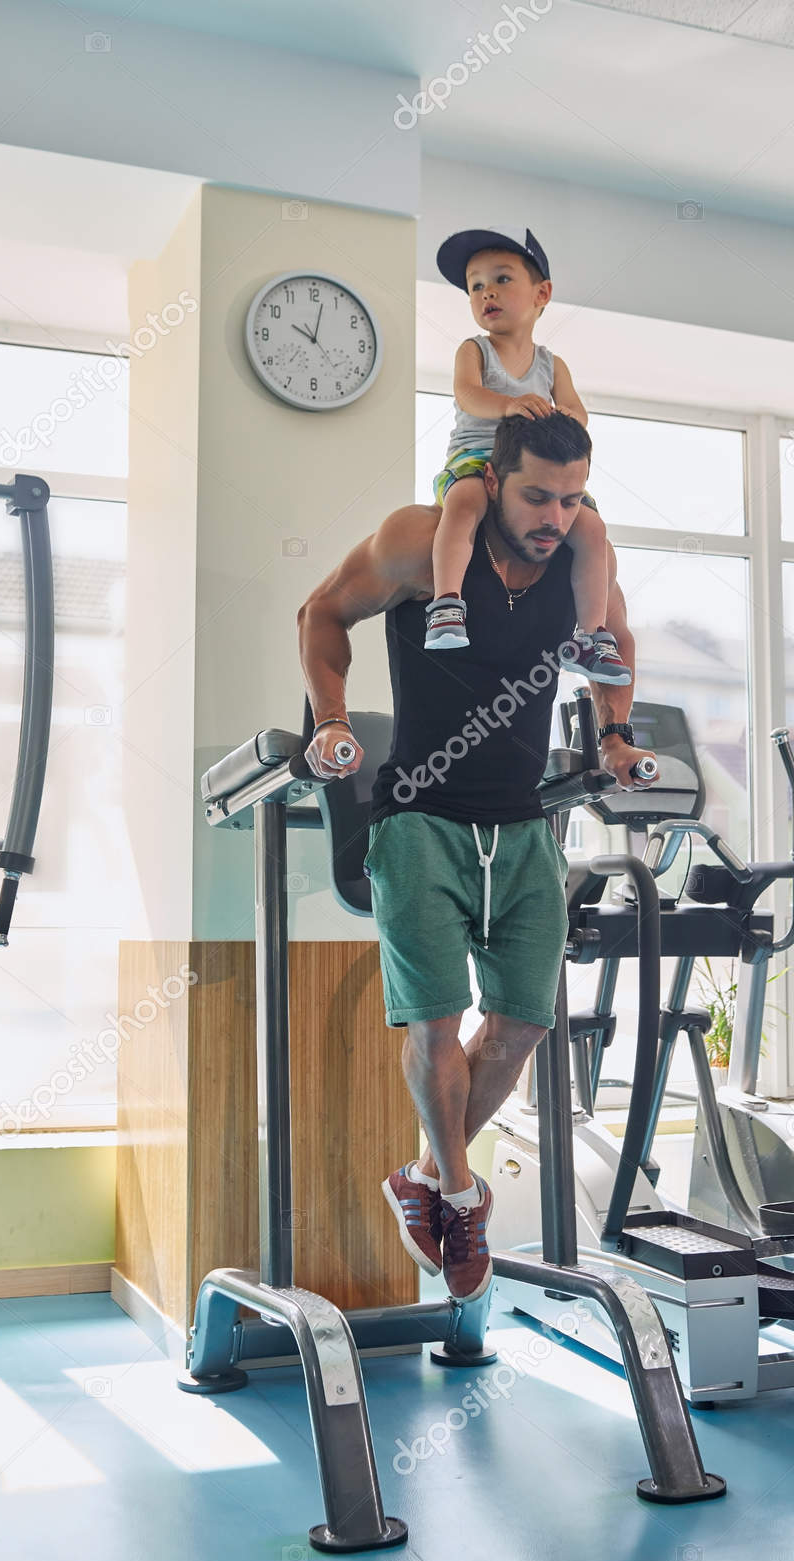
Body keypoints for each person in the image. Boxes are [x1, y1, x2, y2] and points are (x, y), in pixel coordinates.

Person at [297, 410, 657, 1304]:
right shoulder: (420, 544)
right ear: (490, 482)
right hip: (421, 817)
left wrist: (615, 737)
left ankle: (423, 1173)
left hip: (523, 824)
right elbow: (322, 612)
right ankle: (461, 1194)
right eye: (538, 495)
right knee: (436, 1022)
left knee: (523, 1028)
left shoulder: (577, 560)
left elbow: (617, 647)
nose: (555, 516)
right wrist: (333, 721)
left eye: (572, 499)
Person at [424, 225, 629, 692]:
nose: (485, 292)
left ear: (542, 293)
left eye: (500, 279)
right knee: (464, 504)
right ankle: (447, 602)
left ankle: (591, 634)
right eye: (475, 286)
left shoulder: (550, 364)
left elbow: (577, 410)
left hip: (537, 464)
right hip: (477, 456)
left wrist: (562, 418)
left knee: (593, 529)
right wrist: (508, 406)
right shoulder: (474, 349)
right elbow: (467, 394)